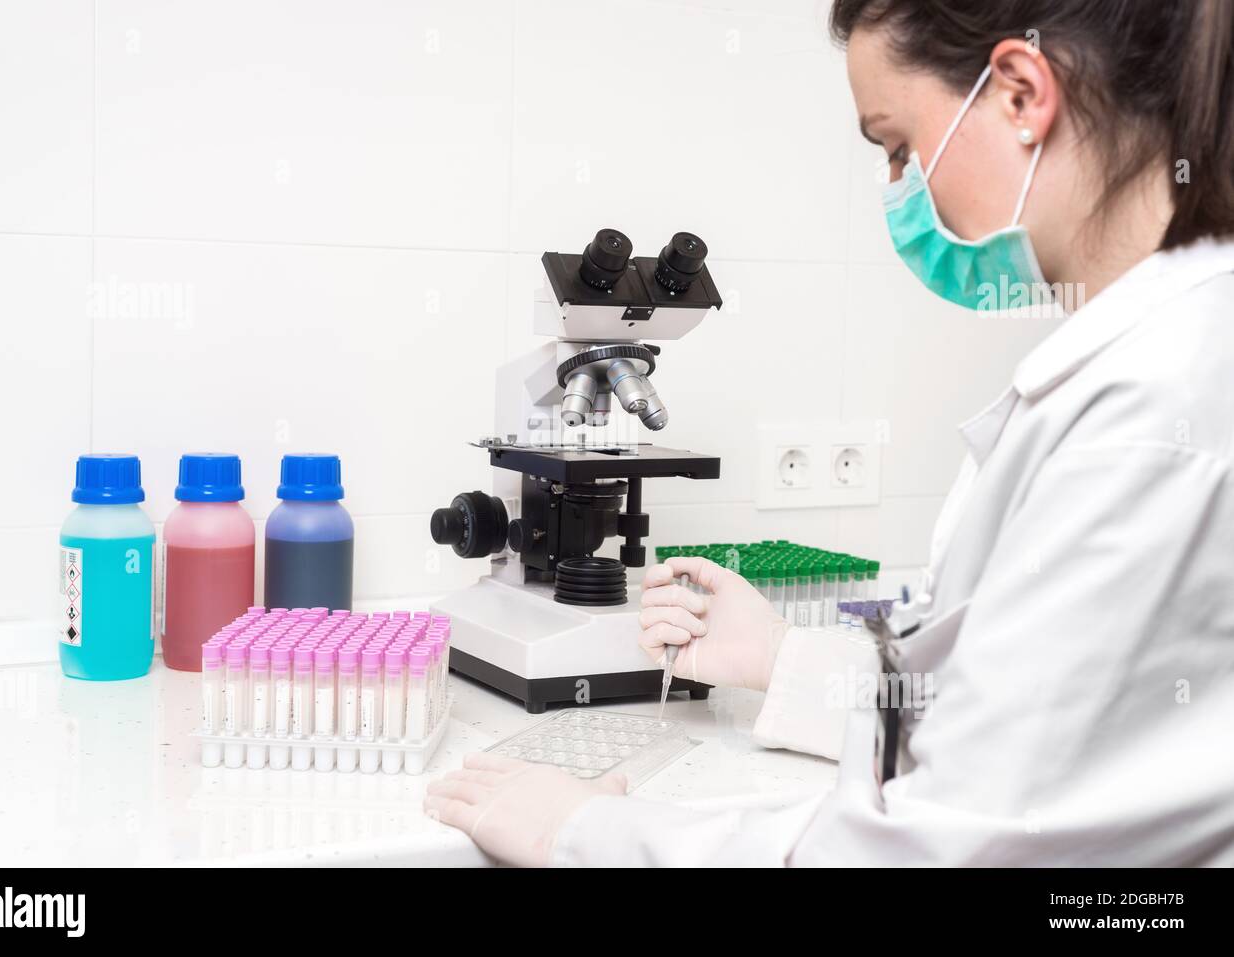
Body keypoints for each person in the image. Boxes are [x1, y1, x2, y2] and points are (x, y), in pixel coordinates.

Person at [424, 0, 1234, 866]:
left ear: (1022, 94)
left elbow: (943, 850)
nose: (897, 190)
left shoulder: (1153, 410)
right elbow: (1013, 719)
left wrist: (583, 832)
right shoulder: (1157, 359)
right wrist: (785, 658)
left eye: (896, 146)